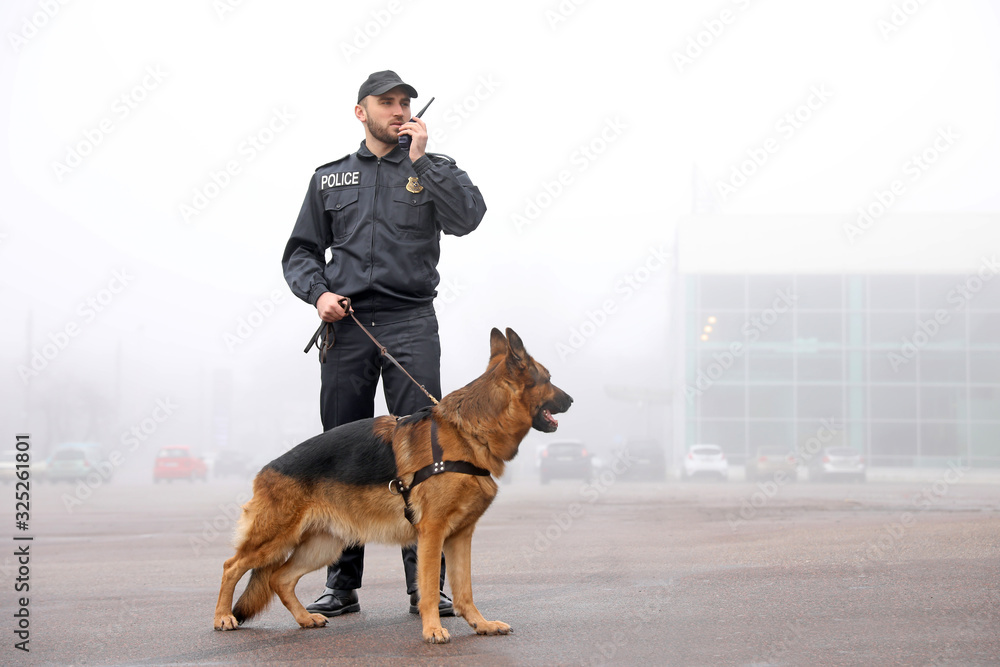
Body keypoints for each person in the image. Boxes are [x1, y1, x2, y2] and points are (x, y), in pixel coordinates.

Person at [281, 70, 487, 618]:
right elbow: (300, 252)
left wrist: (422, 161)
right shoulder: (329, 179)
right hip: (346, 325)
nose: (398, 111)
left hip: (410, 321)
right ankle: (341, 585)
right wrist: (318, 293)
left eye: (405, 103)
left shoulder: (433, 168)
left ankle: (426, 588)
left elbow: (468, 219)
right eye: (386, 102)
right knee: (342, 451)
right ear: (361, 111)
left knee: (424, 451)